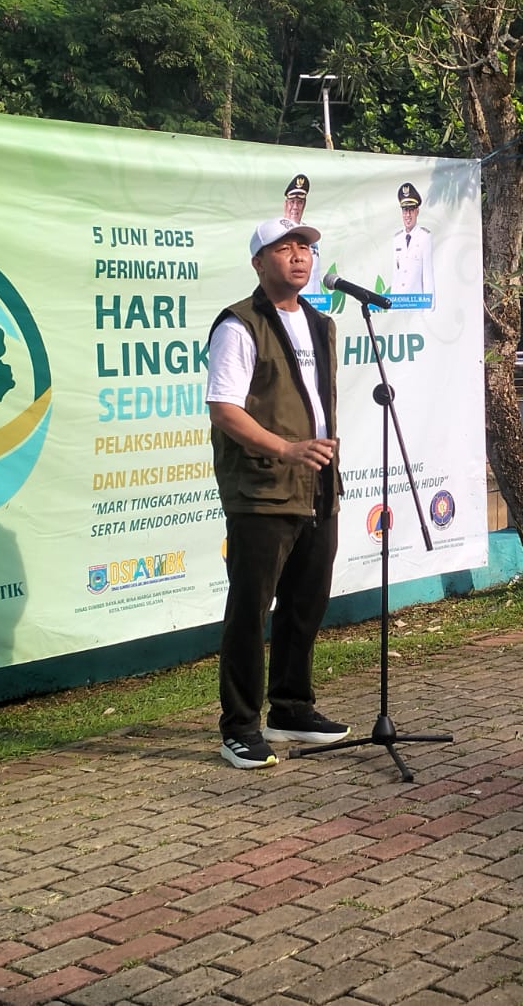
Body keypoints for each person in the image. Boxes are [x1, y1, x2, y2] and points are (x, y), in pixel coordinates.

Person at [205, 216, 351, 769]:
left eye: (306, 248)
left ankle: (291, 707)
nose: (299, 256)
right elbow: (224, 409)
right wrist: (286, 450)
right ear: (258, 263)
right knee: (250, 608)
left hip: (317, 486)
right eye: (284, 247)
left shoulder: (321, 324)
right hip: (262, 490)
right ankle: (239, 726)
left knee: (305, 603)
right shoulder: (239, 326)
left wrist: (313, 461)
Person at [391, 182, 435, 297]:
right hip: (399, 306)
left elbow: (428, 276)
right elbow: (396, 276)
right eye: (405, 210)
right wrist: (391, 308)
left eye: (411, 210)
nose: (408, 215)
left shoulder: (424, 237)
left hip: (417, 306)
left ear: (417, 211)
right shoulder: (397, 239)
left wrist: (428, 310)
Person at [281, 173, 324, 292]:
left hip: (311, 304)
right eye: (292, 202)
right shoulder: (276, 233)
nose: (295, 207)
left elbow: (314, 279)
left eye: (299, 202)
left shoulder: (310, 235)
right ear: (285, 204)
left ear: (304, 205)